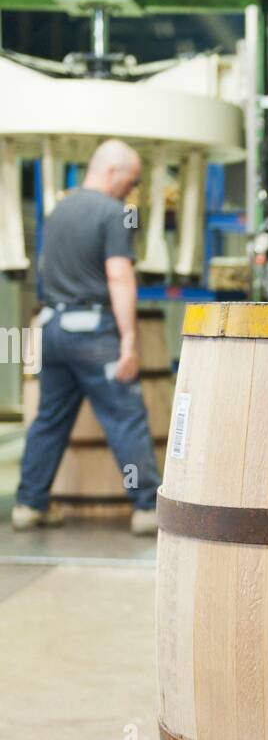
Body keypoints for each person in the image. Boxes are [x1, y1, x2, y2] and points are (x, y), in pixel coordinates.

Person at [13, 139, 161, 536]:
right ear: (111, 172)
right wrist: (129, 341)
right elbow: (119, 274)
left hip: (51, 328)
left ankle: (29, 504)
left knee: (49, 420)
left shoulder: (58, 210)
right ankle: (147, 506)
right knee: (124, 419)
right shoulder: (118, 214)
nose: (130, 191)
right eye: (130, 182)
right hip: (94, 333)